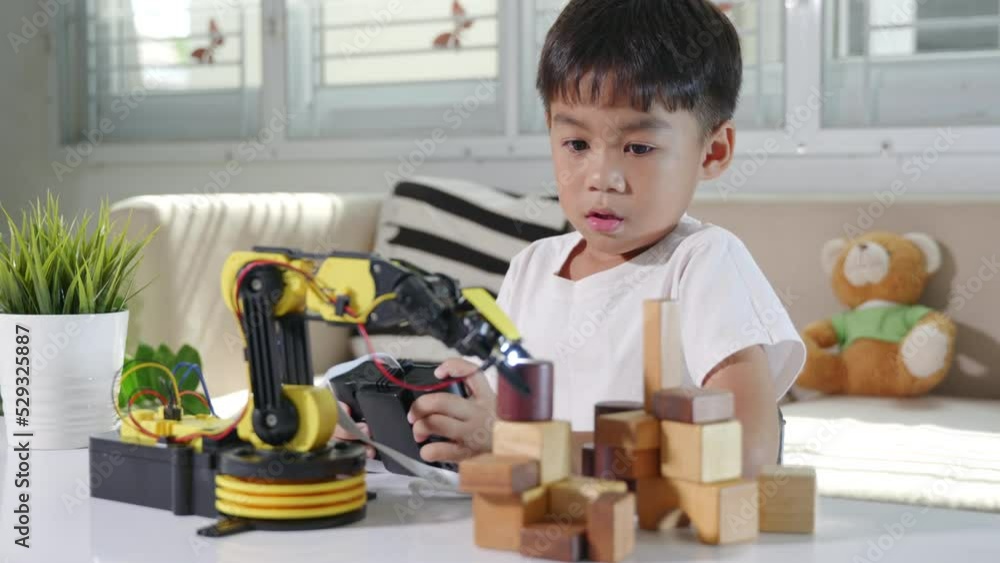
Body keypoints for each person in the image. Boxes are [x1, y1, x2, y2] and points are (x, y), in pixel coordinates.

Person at [353, 0, 805, 478]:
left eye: (638, 148)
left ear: (713, 152)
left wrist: (524, 446)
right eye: (577, 144)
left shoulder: (703, 262)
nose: (602, 177)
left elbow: (746, 450)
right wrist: (400, 432)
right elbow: (493, 430)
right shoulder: (532, 266)